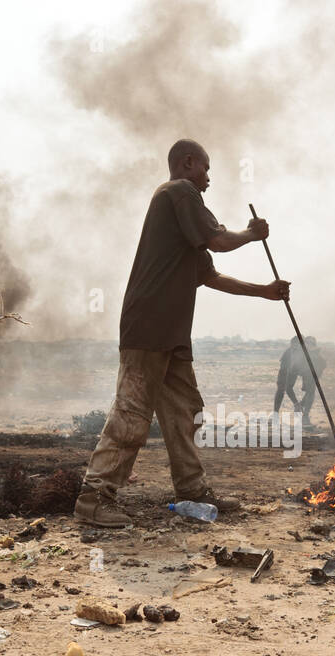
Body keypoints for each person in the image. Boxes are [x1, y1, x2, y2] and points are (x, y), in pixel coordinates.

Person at [75, 139, 291, 528]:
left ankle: (192, 491)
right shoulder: (179, 192)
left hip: (172, 334)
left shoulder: (184, 218)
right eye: (206, 170)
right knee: (132, 412)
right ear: (188, 163)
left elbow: (208, 275)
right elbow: (220, 241)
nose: (208, 180)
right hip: (149, 326)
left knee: (183, 411)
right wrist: (251, 233)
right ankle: (94, 497)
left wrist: (265, 292)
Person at [273, 336, 326, 426]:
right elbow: (288, 387)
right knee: (281, 388)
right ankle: (275, 415)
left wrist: (302, 404)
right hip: (289, 367)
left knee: (311, 390)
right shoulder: (293, 358)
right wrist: (296, 403)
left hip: (306, 369)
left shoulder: (320, 362)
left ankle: (305, 417)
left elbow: (311, 388)